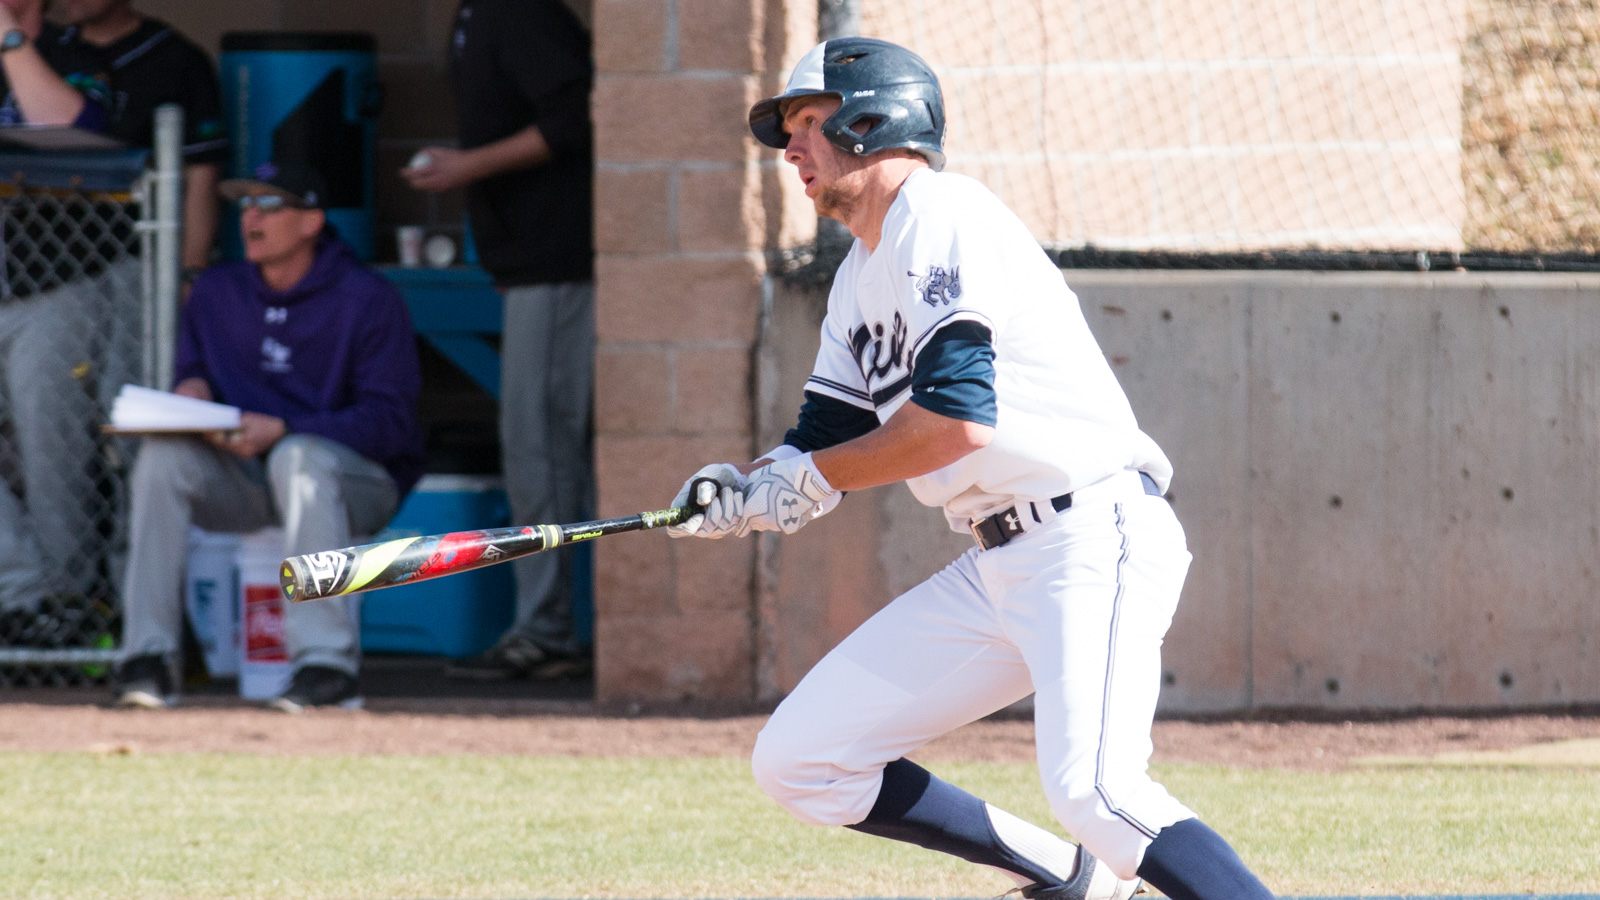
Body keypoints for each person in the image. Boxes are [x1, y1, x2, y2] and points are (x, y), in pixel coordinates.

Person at [667, 38, 1277, 900]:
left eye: (809, 123)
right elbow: (823, 438)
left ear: (874, 119)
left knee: (1100, 792)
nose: (791, 150)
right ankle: (1070, 878)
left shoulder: (940, 212)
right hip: (999, 562)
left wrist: (812, 480)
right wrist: (746, 486)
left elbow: (955, 424)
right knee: (803, 758)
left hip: (1089, 533)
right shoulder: (859, 273)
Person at [113, 161, 425, 712]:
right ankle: (147, 658)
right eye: (245, 205)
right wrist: (193, 393)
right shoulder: (217, 290)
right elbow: (193, 370)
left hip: (352, 486)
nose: (251, 217)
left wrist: (285, 430)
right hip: (244, 476)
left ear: (311, 222)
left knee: (300, 458)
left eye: (270, 205)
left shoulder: (367, 297)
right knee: (162, 458)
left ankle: (325, 665)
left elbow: (393, 425)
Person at [403, 0, 596, 682]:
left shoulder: (519, 12)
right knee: (537, 450)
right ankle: (548, 627)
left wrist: (468, 167)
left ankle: (546, 632)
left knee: (540, 450)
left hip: (559, 264)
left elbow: (574, 121)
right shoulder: (475, 14)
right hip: (527, 267)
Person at [0, 0, 112, 643]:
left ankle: (69, 606)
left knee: (54, 454)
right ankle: (21, 595)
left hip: (51, 286)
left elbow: (73, 126)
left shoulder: (73, 60)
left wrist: (11, 43)